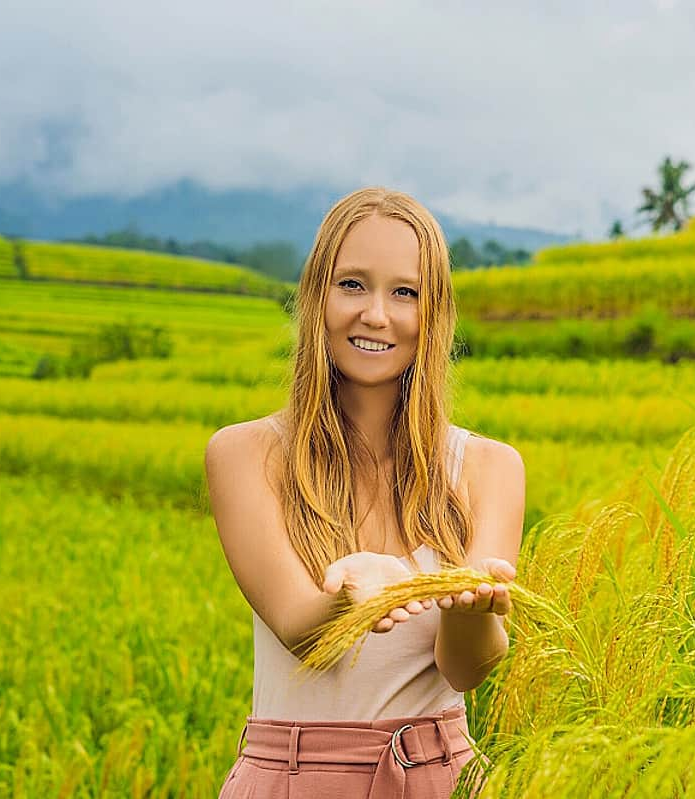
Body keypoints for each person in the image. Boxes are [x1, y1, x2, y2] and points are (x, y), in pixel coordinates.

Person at [204, 187, 526, 798]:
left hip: (440, 776)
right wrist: (352, 596)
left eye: (404, 292)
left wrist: (469, 608)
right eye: (352, 284)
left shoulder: (490, 467)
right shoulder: (245, 454)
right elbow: (302, 630)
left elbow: (467, 667)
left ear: (434, 314)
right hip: (292, 778)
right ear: (315, 297)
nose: (377, 314)